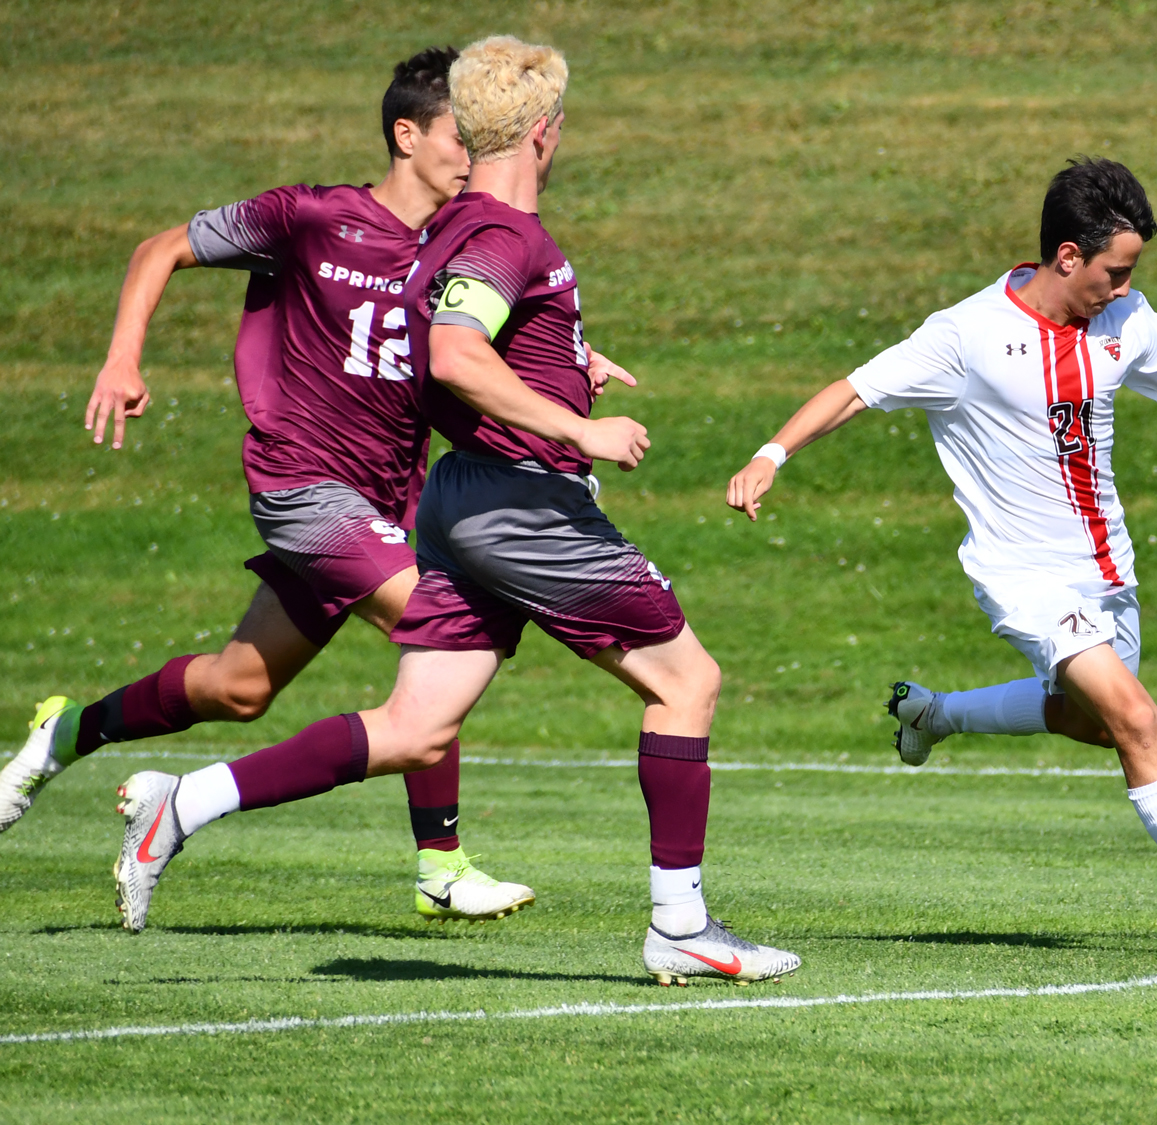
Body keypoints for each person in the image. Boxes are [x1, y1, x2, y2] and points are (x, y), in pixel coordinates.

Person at [108, 36, 801, 985]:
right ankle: (680, 923)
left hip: (458, 499)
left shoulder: (446, 229)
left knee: (414, 729)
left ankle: (181, 805)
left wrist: (565, 359)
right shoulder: (508, 236)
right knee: (688, 683)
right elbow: (456, 356)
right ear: (545, 134)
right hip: (523, 505)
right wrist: (579, 426)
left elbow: (449, 336)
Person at [726, 158, 1157, 954]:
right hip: (1020, 576)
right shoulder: (967, 335)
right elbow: (854, 388)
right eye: (1114, 271)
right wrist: (771, 454)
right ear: (1066, 256)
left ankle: (935, 713)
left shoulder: (1127, 321)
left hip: (1108, 571)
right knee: (1138, 717)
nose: (1123, 287)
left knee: (1091, 722)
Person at [0, 46, 549, 922]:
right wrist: (121, 358)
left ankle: (64, 734)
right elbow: (158, 250)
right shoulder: (308, 216)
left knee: (236, 688)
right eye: (460, 135)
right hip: (303, 485)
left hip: (385, 500)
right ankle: (440, 865)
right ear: (407, 135)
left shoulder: (462, 245)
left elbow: (477, 345)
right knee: (437, 627)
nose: (474, 153)